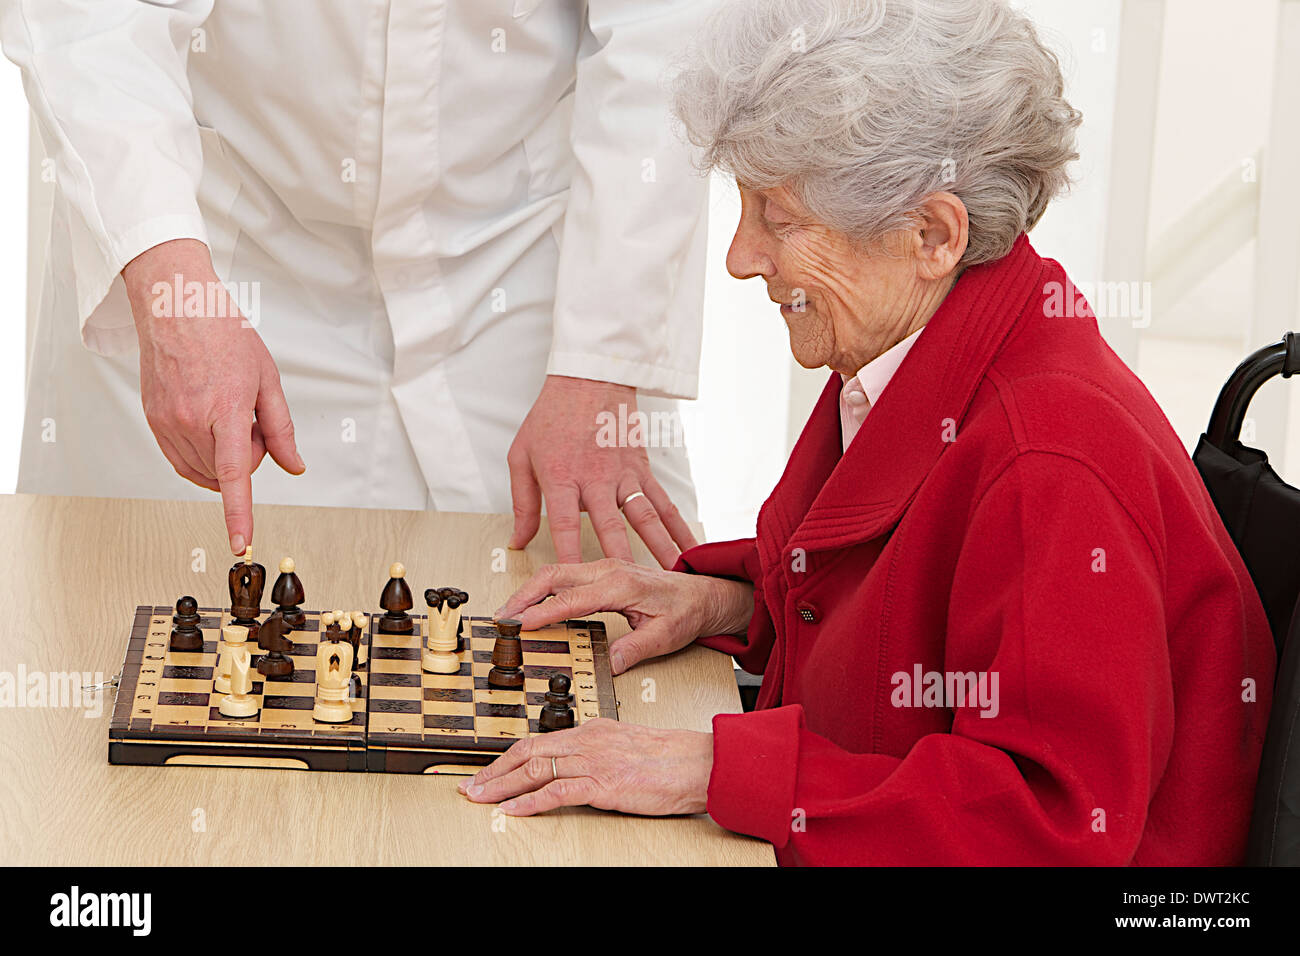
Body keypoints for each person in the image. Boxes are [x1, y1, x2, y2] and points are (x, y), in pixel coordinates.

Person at [461, 0, 1277, 865]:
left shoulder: (1048, 460)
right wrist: (733, 603)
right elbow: (903, 614)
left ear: (931, 234)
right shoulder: (919, 341)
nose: (740, 256)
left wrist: (717, 768)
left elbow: (1047, 832)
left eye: (779, 217)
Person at [1, 0, 709, 566]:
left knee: (597, 662)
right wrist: (171, 292)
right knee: (154, 655)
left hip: (525, 257)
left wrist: (601, 362)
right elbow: (91, 18)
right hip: (220, 239)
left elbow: (668, 31)